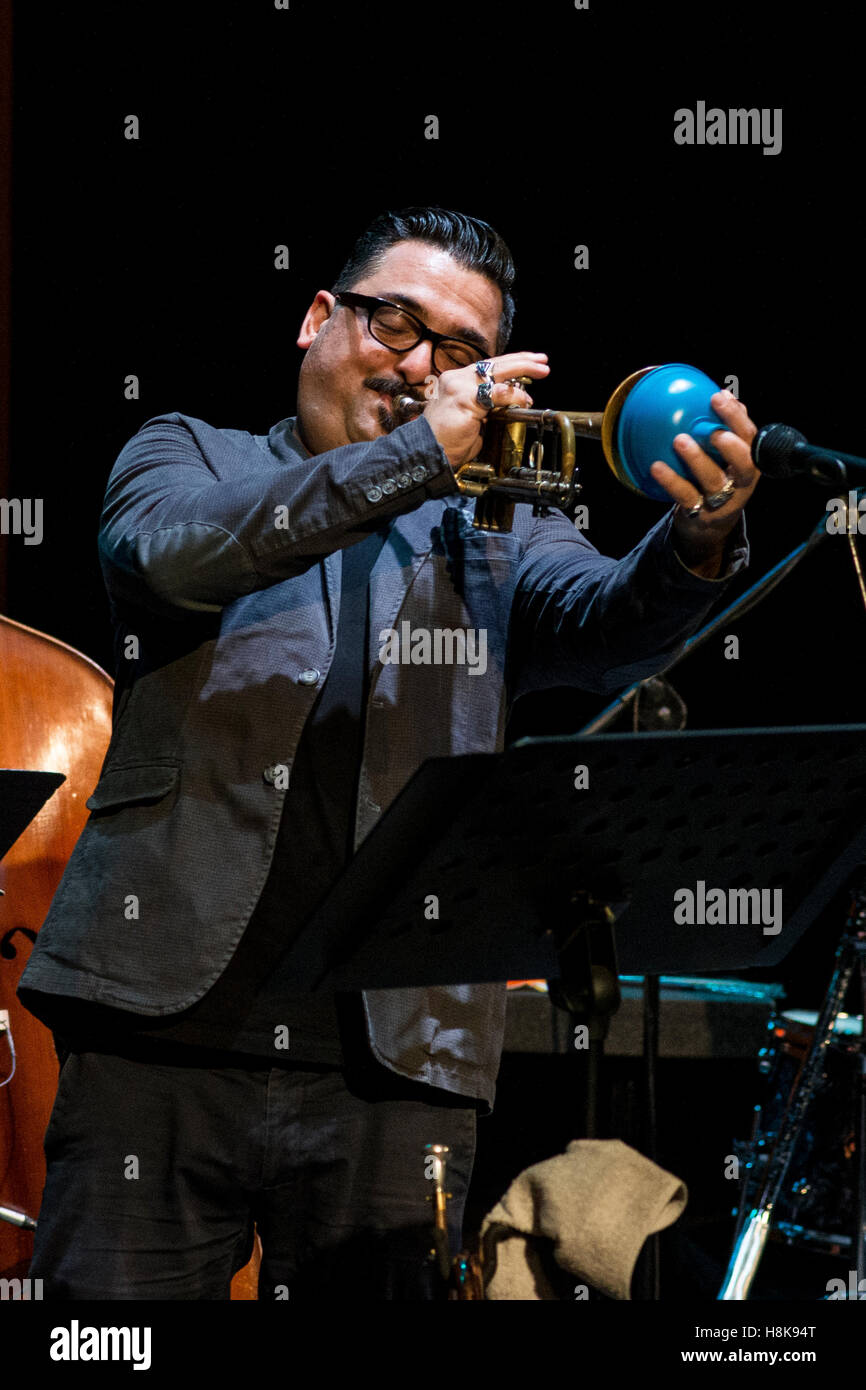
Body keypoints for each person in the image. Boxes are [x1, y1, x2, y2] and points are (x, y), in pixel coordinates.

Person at [18, 207, 758, 1300]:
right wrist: (416, 456)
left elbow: (607, 620)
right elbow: (169, 559)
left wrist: (698, 535)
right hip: (160, 1037)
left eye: (458, 350)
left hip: (400, 1064)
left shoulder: (499, 526)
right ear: (319, 317)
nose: (420, 367)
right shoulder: (186, 452)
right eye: (393, 323)